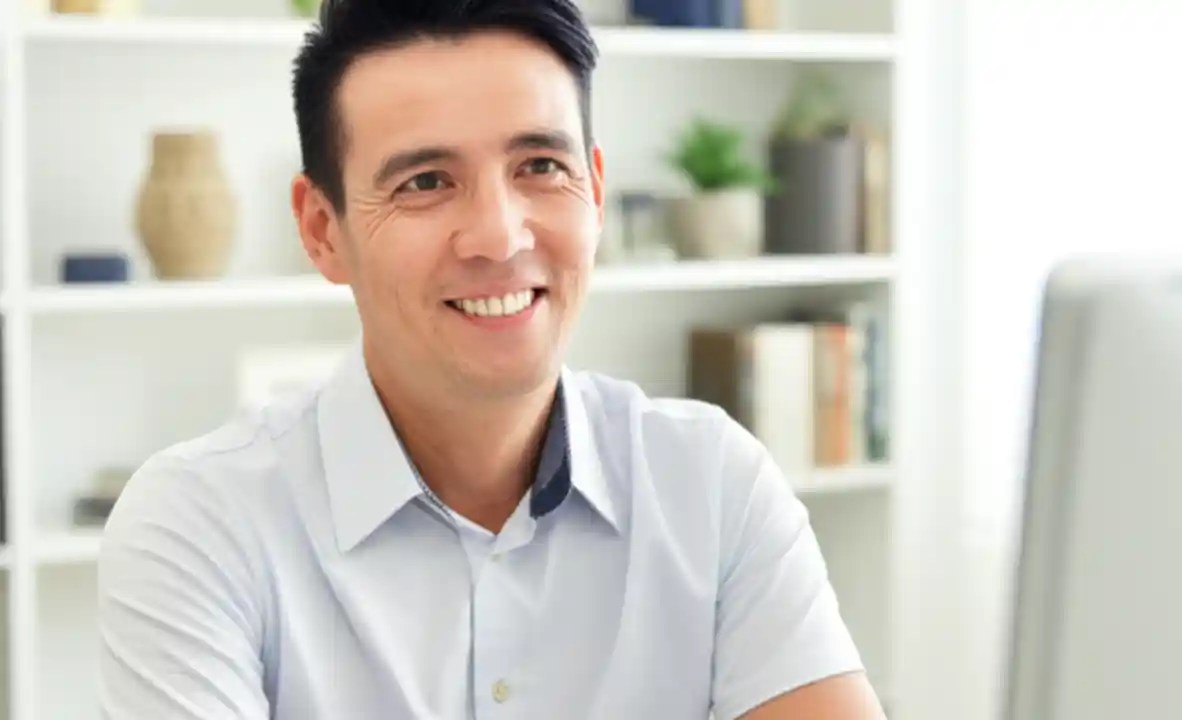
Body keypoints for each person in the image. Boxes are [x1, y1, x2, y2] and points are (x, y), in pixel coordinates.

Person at [97, 1, 887, 718]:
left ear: (595, 192)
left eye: (539, 167)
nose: (500, 237)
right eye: (425, 182)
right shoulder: (200, 525)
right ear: (321, 229)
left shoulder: (711, 484)